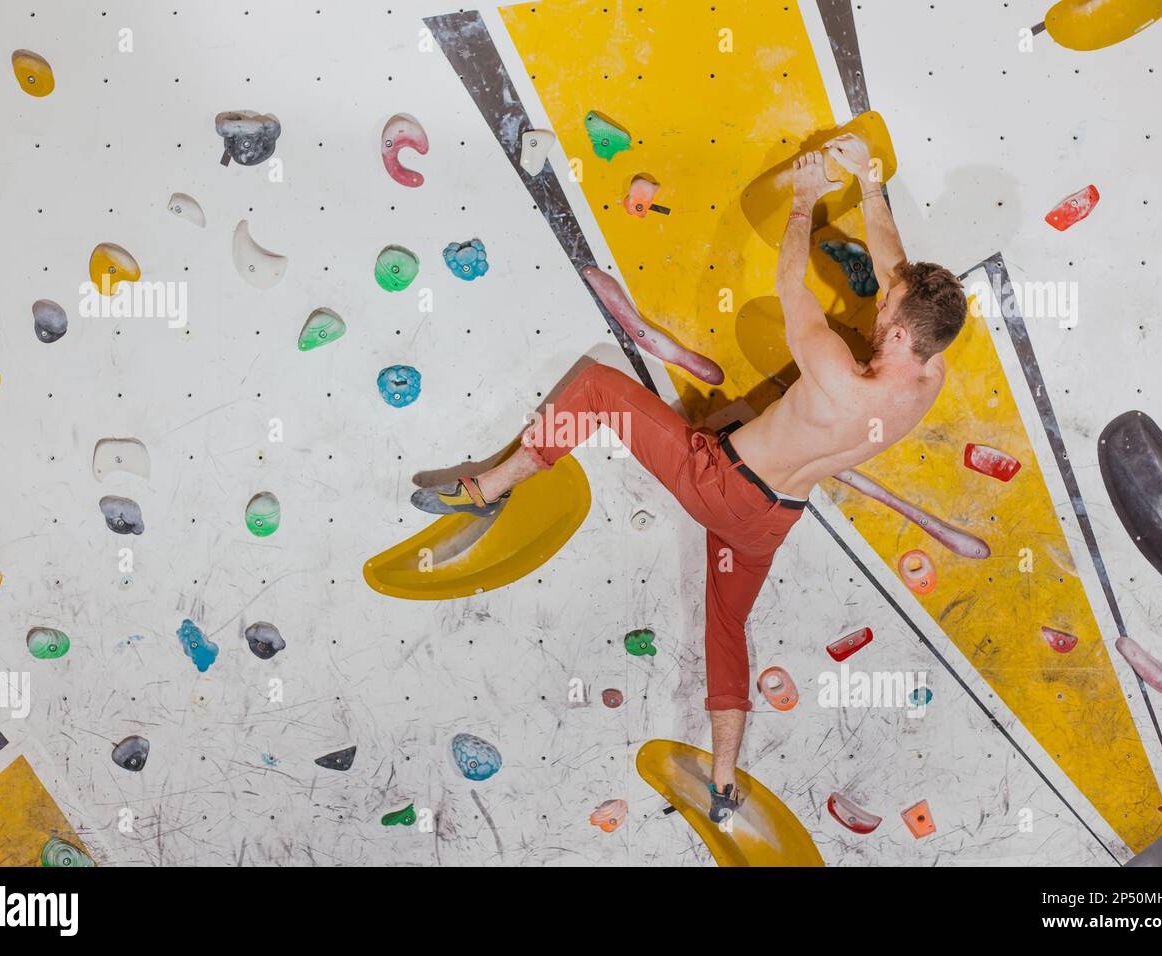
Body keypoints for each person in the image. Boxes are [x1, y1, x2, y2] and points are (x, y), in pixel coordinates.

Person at [412, 133, 968, 823]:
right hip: (771, 522)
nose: (881, 301)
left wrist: (802, 202)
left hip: (716, 482)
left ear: (902, 334)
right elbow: (900, 276)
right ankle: (725, 780)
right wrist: (870, 184)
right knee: (727, 622)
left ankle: (488, 489)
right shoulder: (927, 375)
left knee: (597, 388)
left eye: (888, 306)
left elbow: (789, 284)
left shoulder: (834, 372)